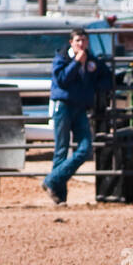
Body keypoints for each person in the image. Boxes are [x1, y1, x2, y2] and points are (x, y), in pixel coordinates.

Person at [42, 28, 113, 204]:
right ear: (71, 42)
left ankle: (52, 180)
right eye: (77, 41)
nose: (81, 44)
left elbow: (106, 78)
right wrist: (75, 63)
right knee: (61, 149)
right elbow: (62, 80)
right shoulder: (62, 58)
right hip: (63, 107)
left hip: (80, 107)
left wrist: (95, 86)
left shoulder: (92, 61)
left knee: (85, 148)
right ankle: (59, 195)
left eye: (83, 40)